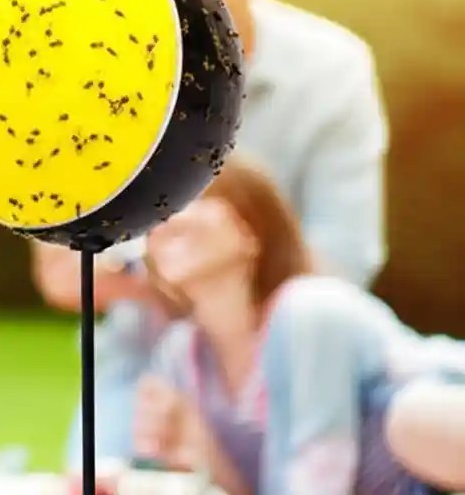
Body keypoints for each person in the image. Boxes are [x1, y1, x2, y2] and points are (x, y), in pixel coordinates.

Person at [31, 0, 391, 468]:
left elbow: (343, 262)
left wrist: (165, 276)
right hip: (144, 363)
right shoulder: (91, 74)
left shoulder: (334, 69)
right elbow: (65, 277)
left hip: (293, 362)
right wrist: (216, 272)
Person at [131, 155, 465, 495]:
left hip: (447, 409)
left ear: (251, 229)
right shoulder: (181, 356)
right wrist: (195, 447)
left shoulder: (308, 309)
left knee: (415, 420)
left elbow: (320, 468)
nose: (170, 220)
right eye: (161, 210)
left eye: (196, 199)